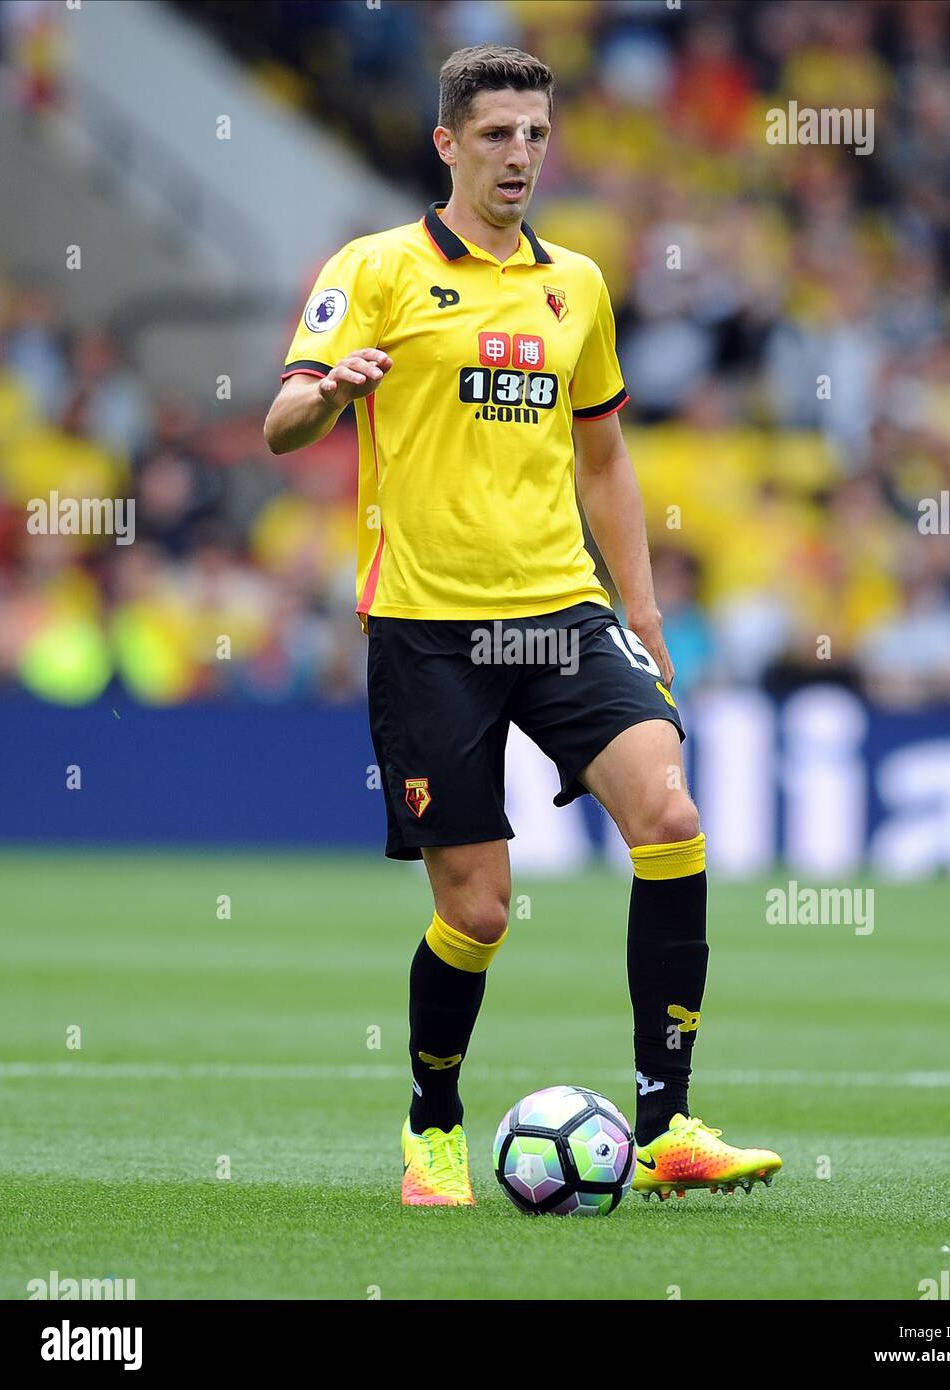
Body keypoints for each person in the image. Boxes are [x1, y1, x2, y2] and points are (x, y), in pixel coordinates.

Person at [264, 44, 781, 1206]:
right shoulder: (377, 266)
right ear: (448, 142)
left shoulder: (579, 287)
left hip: (560, 613)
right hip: (428, 629)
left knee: (672, 812)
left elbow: (605, 457)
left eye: (536, 136)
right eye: (497, 135)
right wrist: (332, 389)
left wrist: (642, 612)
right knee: (480, 909)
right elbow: (281, 421)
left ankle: (668, 1124)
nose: (520, 156)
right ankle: (432, 1120)